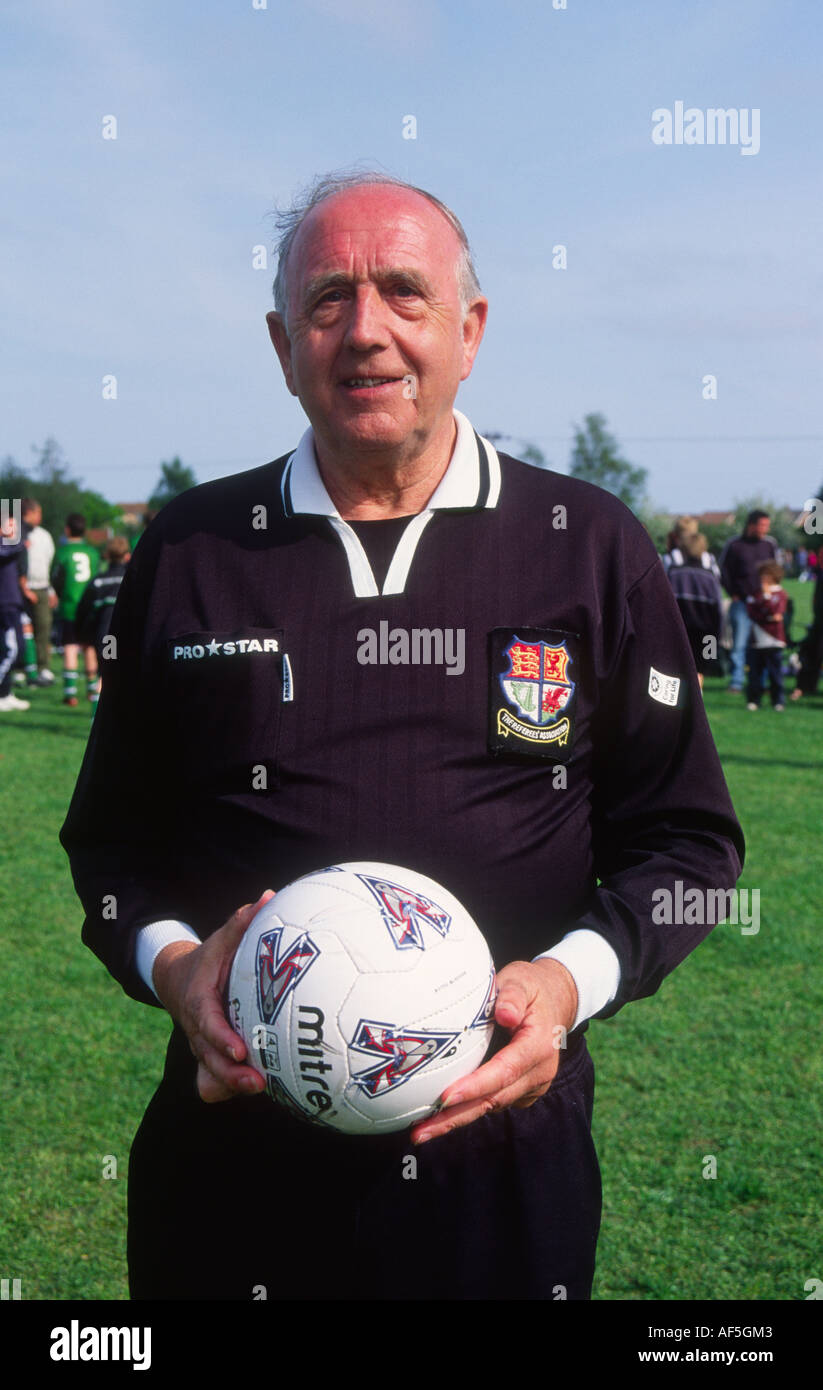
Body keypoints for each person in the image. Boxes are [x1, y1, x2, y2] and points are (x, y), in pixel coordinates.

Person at [61, 171, 744, 1301]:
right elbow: (114, 843)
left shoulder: (586, 543)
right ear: (283, 344)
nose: (365, 331)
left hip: (498, 1165)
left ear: (467, 332)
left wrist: (568, 986)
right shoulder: (193, 548)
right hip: (234, 1163)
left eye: (403, 294)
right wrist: (174, 966)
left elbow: (688, 843)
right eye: (328, 300)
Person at [719, 510, 777, 692]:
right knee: (739, 644)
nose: (765, 529)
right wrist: (732, 593)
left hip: (764, 604)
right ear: (751, 525)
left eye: (767, 526)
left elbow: (776, 571)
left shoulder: (770, 545)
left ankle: (761, 682)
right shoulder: (735, 545)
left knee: (764, 644)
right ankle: (736, 682)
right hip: (742, 603)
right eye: (762, 525)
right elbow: (723, 570)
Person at [74, 536, 132, 701]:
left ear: (106, 555)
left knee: (106, 676)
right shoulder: (133, 579)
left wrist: (82, 635)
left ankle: (99, 721)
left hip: (107, 636)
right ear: (127, 556)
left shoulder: (98, 582)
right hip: (128, 637)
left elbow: (84, 610)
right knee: (114, 678)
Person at [51, 513, 100, 707]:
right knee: (89, 647)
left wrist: (58, 593)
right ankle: (91, 689)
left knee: (70, 646)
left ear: (67, 529)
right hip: (89, 607)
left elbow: (57, 579)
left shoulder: (62, 552)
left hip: (70, 605)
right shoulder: (92, 553)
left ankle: (70, 693)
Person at [664, 531, 723, 690]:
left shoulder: (673, 573)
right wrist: (715, 643)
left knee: (676, 671)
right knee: (699, 670)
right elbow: (718, 610)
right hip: (706, 632)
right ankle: (697, 705)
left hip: (678, 631)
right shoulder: (710, 577)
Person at [19, 498, 57, 686]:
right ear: (30, 512)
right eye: (38, 512)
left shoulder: (44, 535)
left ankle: (43, 668)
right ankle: (19, 668)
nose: (40, 517)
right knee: (20, 630)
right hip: (21, 588)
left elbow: (47, 564)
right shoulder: (16, 533)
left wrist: (50, 589)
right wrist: (23, 587)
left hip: (42, 587)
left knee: (43, 628)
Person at [0, 512, 31, 712]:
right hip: (4, 604)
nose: (15, 531)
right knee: (10, 650)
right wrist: (20, 545)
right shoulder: (6, 546)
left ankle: (6, 693)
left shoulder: (10, 546)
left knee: (16, 648)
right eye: (11, 526)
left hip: (12, 603)